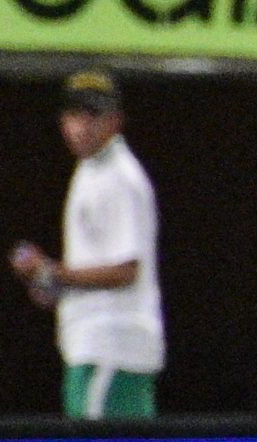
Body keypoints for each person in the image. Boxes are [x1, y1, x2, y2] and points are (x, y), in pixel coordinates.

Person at [9, 70, 166, 420]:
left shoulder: (119, 176)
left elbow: (127, 271)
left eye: (93, 115)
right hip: (97, 346)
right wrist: (51, 283)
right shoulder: (90, 171)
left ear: (115, 121)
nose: (81, 125)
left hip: (111, 348)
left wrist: (51, 271)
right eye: (73, 114)